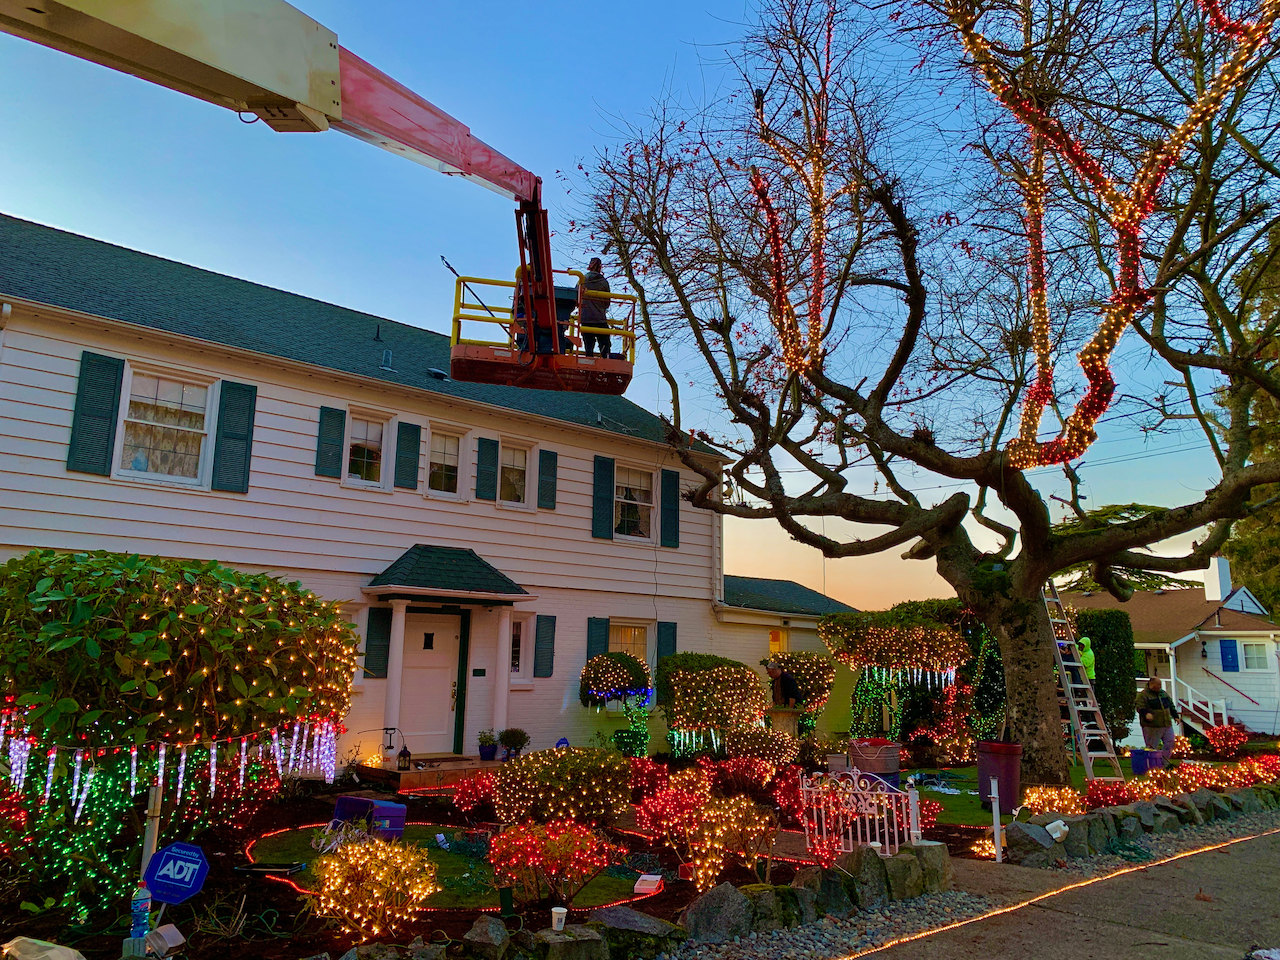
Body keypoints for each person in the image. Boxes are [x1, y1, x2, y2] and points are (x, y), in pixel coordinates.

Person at [1135, 676, 1179, 767]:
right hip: (1152, 726)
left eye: (1160, 684)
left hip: (1166, 724)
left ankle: (1164, 763)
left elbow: (1170, 705)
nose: (1160, 686)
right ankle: (1151, 766)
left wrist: (1175, 716)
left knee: (1170, 742)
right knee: (1152, 747)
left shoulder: (1164, 694)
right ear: (1151, 684)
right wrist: (1146, 713)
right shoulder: (1144, 695)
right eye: (1158, 684)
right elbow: (1139, 706)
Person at [578, 257, 612, 357]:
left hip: (585, 318)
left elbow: (575, 296)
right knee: (605, 343)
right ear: (600, 267)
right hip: (599, 318)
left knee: (588, 344)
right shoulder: (603, 282)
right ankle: (605, 360)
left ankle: (589, 358)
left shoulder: (582, 280)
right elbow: (607, 303)